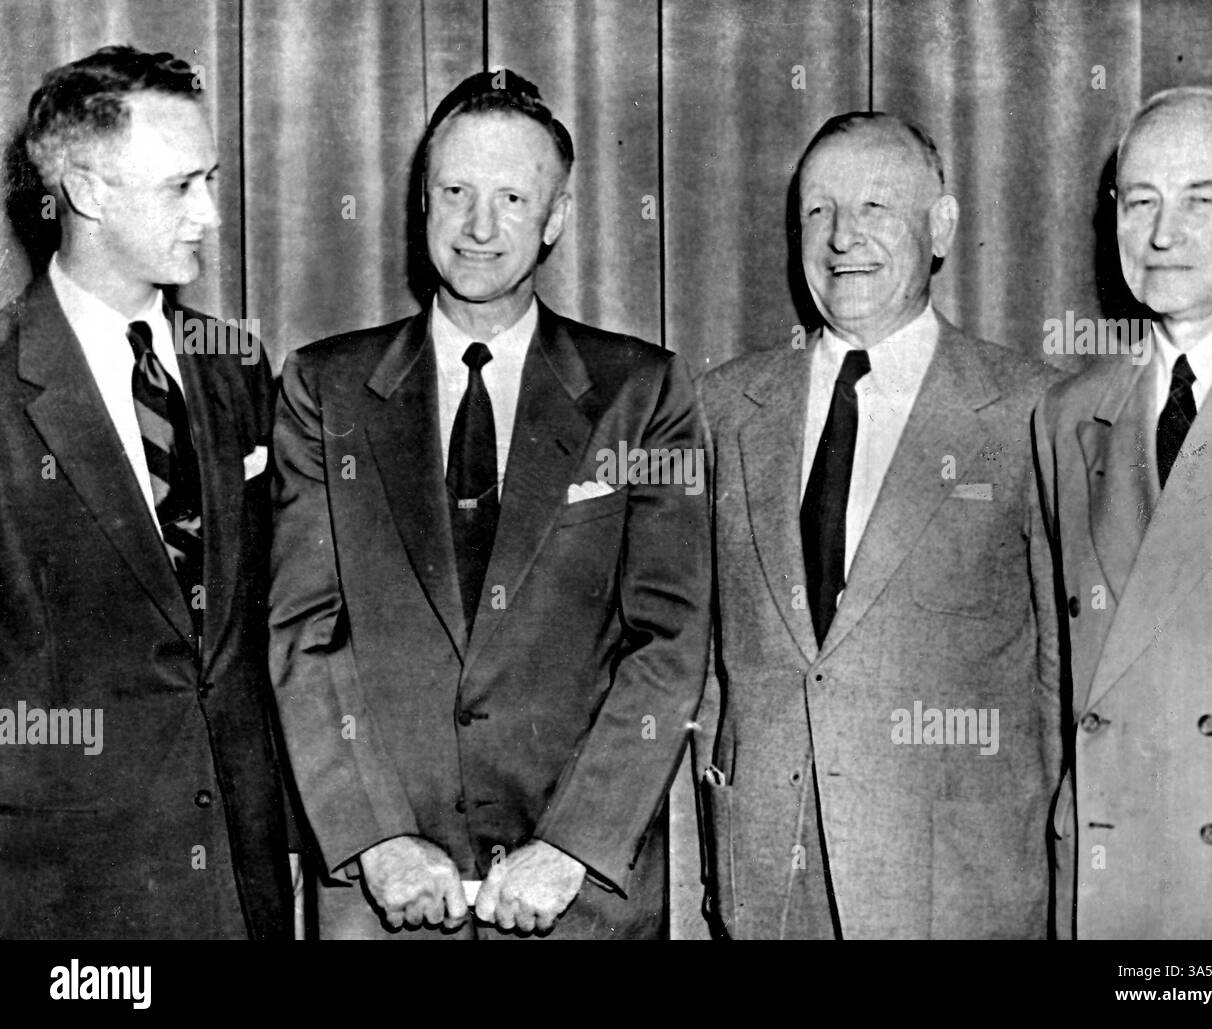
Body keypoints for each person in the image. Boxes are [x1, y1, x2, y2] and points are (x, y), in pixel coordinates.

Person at [268, 70, 710, 940]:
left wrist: (573, 848)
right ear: (419, 203)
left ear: (555, 219)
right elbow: (301, 629)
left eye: (513, 197)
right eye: (457, 192)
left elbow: (671, 638)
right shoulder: (325, 388)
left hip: (579, 895)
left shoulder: (643, 391)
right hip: (383, 895)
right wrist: (378, 838)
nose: (479, 226)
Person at [699, 111, 1063, 938]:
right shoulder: (723, 408)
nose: (841, 238)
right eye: (819, 211)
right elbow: (708, 666)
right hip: (767, 886)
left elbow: (1059, 678)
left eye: (875, 209)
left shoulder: (1031, 411)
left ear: (940, 228)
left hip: (956, 892)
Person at [0, 45, 295, 939]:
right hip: (67, 894)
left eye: (209, 178)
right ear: (86, 194)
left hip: (241, 882)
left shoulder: (235, 363)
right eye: (180, 187)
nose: (209, 212)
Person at [1033, 86, 1212, 939]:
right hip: (1112, 882)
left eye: (1200, 200)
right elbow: (1055, 672)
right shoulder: (1071, 412)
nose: (1161, 233)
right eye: (1139, 200)